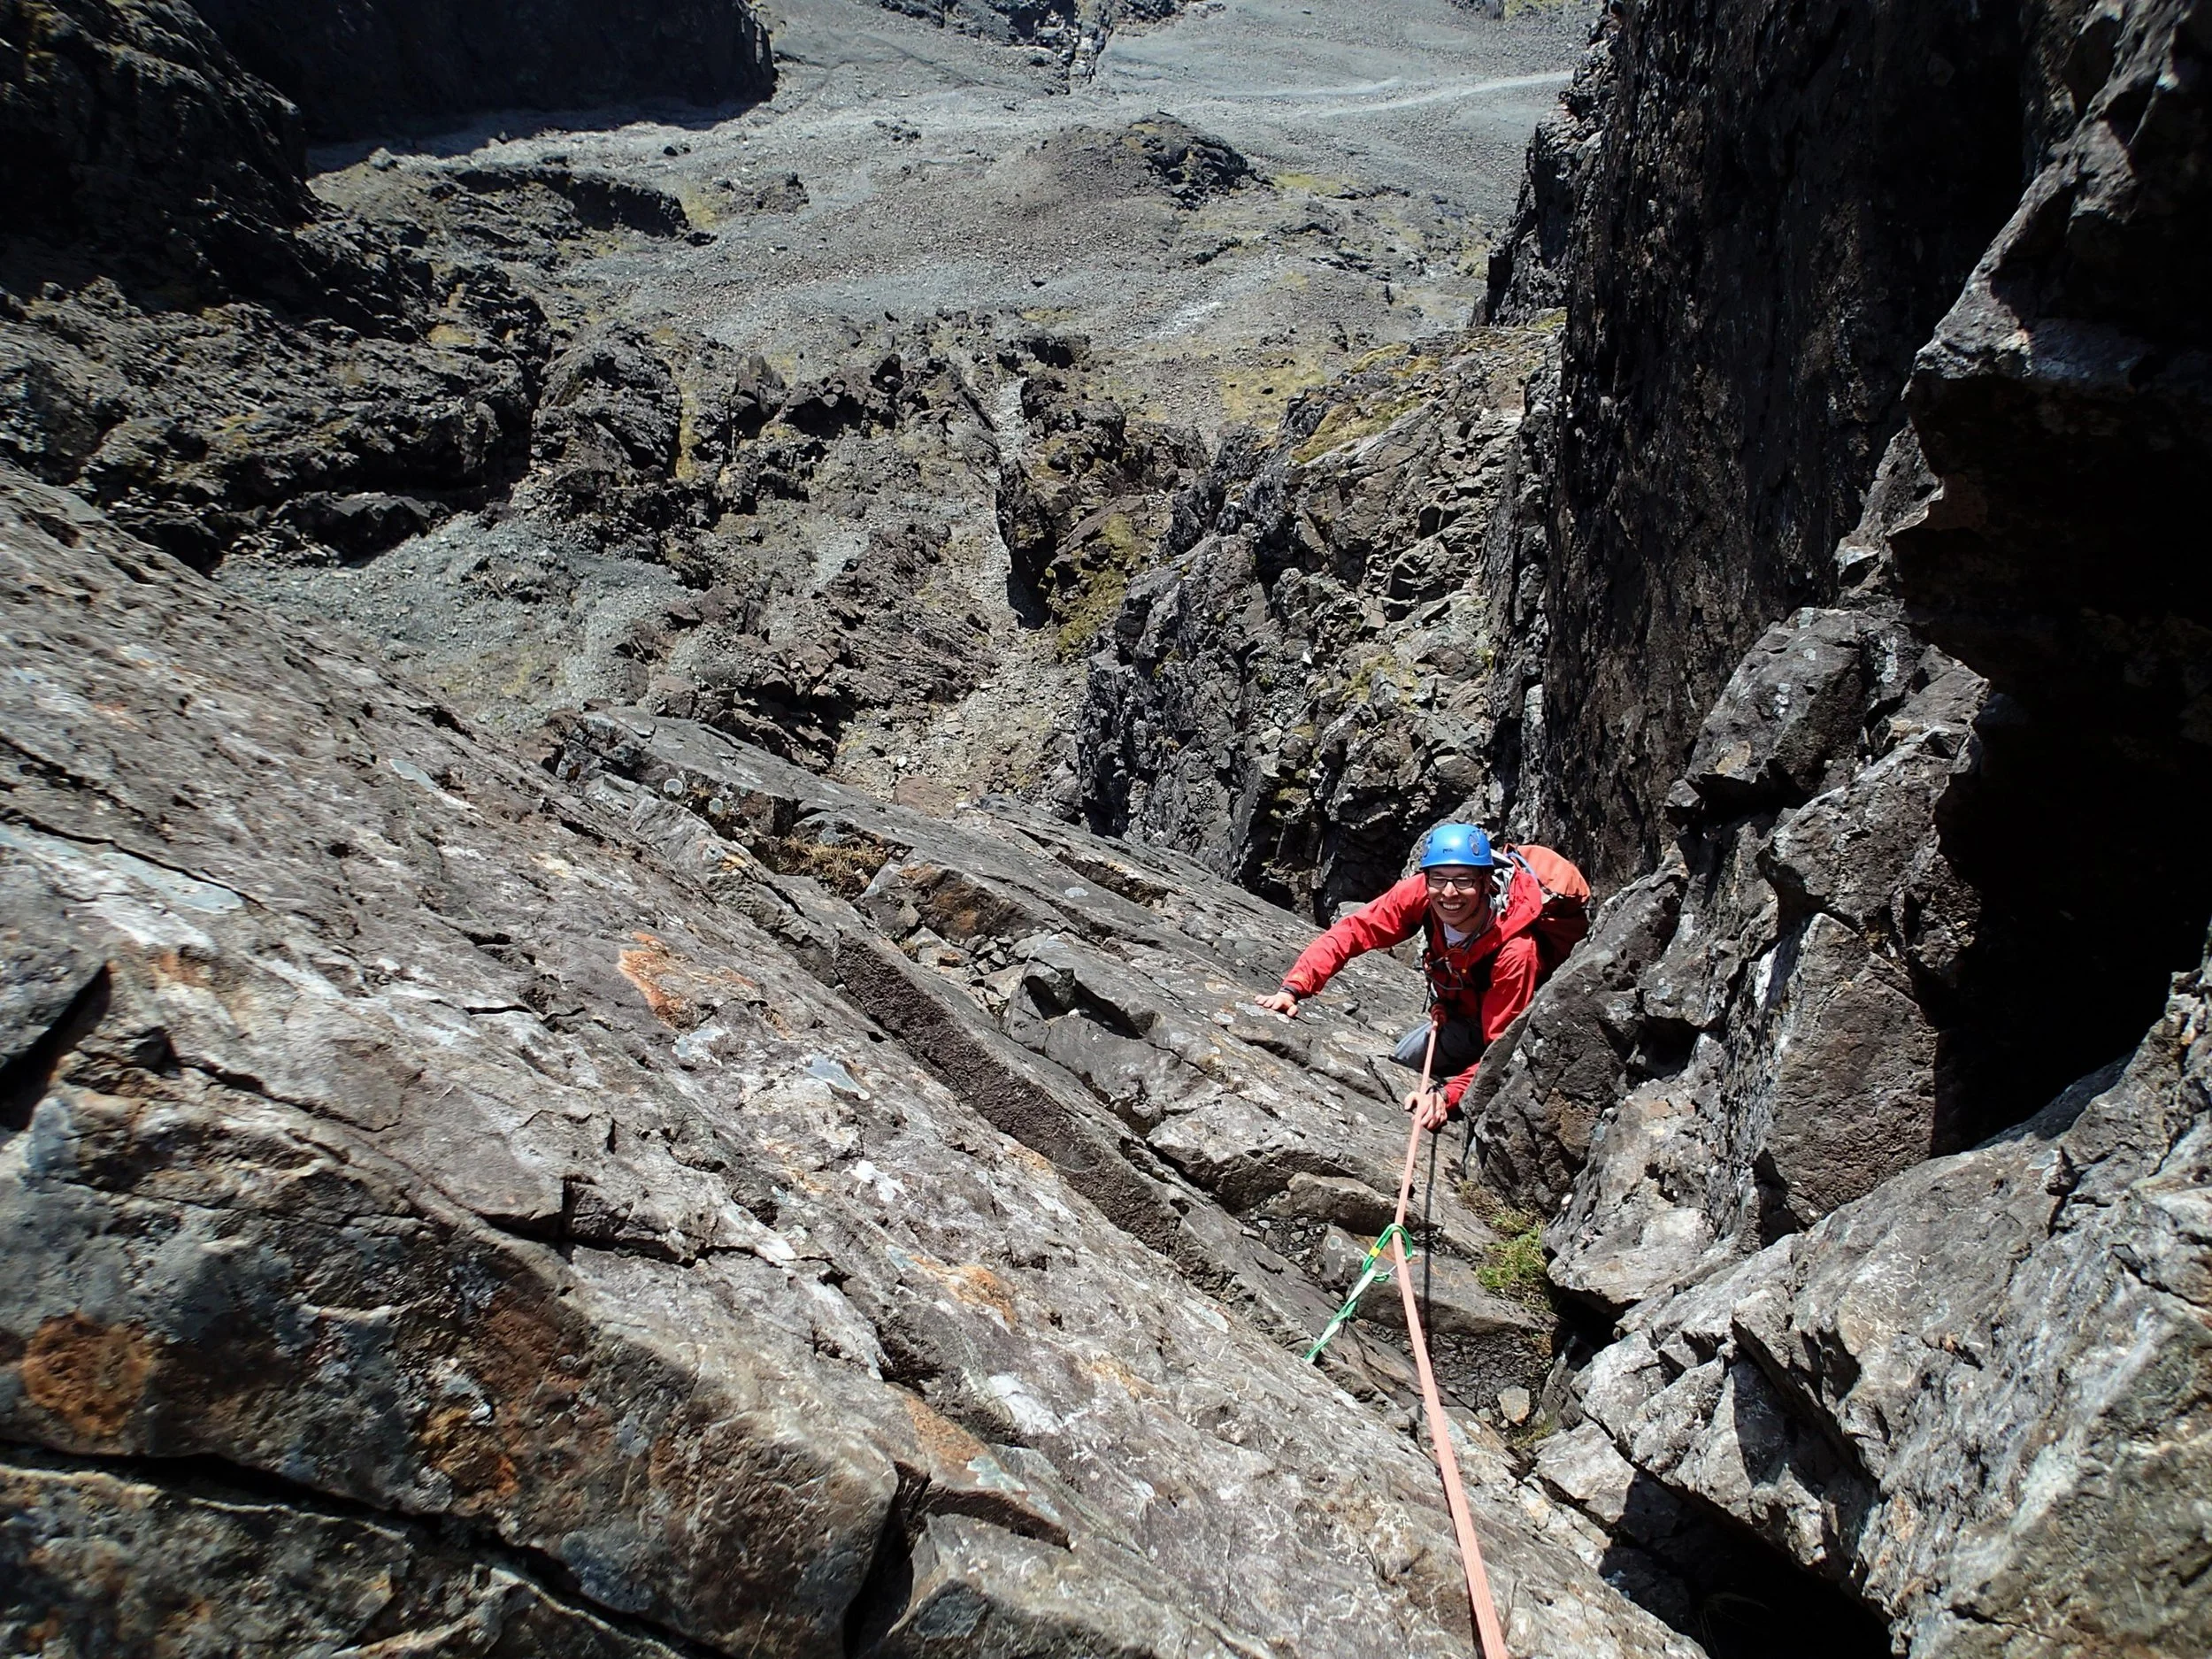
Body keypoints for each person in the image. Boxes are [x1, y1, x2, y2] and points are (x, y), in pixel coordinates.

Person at [1255, 823, 1586, 1133]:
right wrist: (1294, 988)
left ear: (1486, 882)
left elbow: (1502, 1050)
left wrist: (1446, 1096)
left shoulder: (1515, 953)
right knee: (1404, 1060)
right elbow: (1354, 932)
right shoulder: (1422, 894)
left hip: (1497, 1022)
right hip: (1459, 1012)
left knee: (1430, 1070)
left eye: (1464, 880)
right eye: (1439, 879)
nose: (1449, 893)